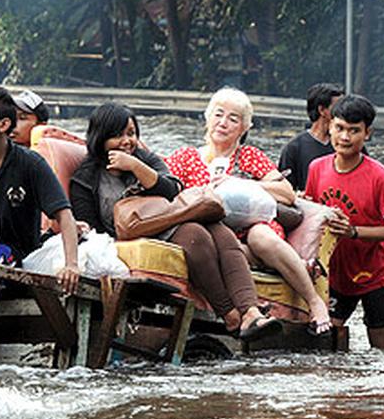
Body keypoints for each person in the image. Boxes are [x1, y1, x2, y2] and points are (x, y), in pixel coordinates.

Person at [70, 102, 280, 340]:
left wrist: (136, 167)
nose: (127, 141)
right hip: (135, 231)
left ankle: (251, 312)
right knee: (196, 235)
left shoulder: (143, 158)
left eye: (131, 133)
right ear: (100, 137)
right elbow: (92, 228)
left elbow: (172, 189)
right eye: (117, 135)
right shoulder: (86, 178)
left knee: (222, 233)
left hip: (173, 217)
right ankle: (230, 315)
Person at [165, 87, 332, 335]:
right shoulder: (185, 157)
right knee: (213, 243)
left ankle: (314, 302)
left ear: (244, 127)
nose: (223, 123)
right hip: (212, 231)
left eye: (233, 119)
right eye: (218, 114)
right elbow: (165, 190)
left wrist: (240, 184)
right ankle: (284, 270)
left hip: (253, 225)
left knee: (260, 237)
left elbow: (286, 192)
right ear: (207, 117)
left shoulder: (248, 156)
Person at [304, 94, 384, 351]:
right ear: (329, 126)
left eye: (354, 130)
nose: (345, 137)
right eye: (339, 128)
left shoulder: (381, 177)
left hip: (375, 276)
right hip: (334, 274)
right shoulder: (317, 168)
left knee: (381, 351)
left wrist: (353, 232)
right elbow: (311, 218)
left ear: (367, 133)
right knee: (325, 344)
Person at [0, 85, 79, 293]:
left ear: (3, 124)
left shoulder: (30, 164)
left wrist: (71, 264)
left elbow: (64, 215)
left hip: (14, 257)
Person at [278, 82, 344, 192]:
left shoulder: (347, 143)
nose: (343, 112)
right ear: (322, 110)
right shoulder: (294, 148)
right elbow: (284, 190)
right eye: (338, 107)